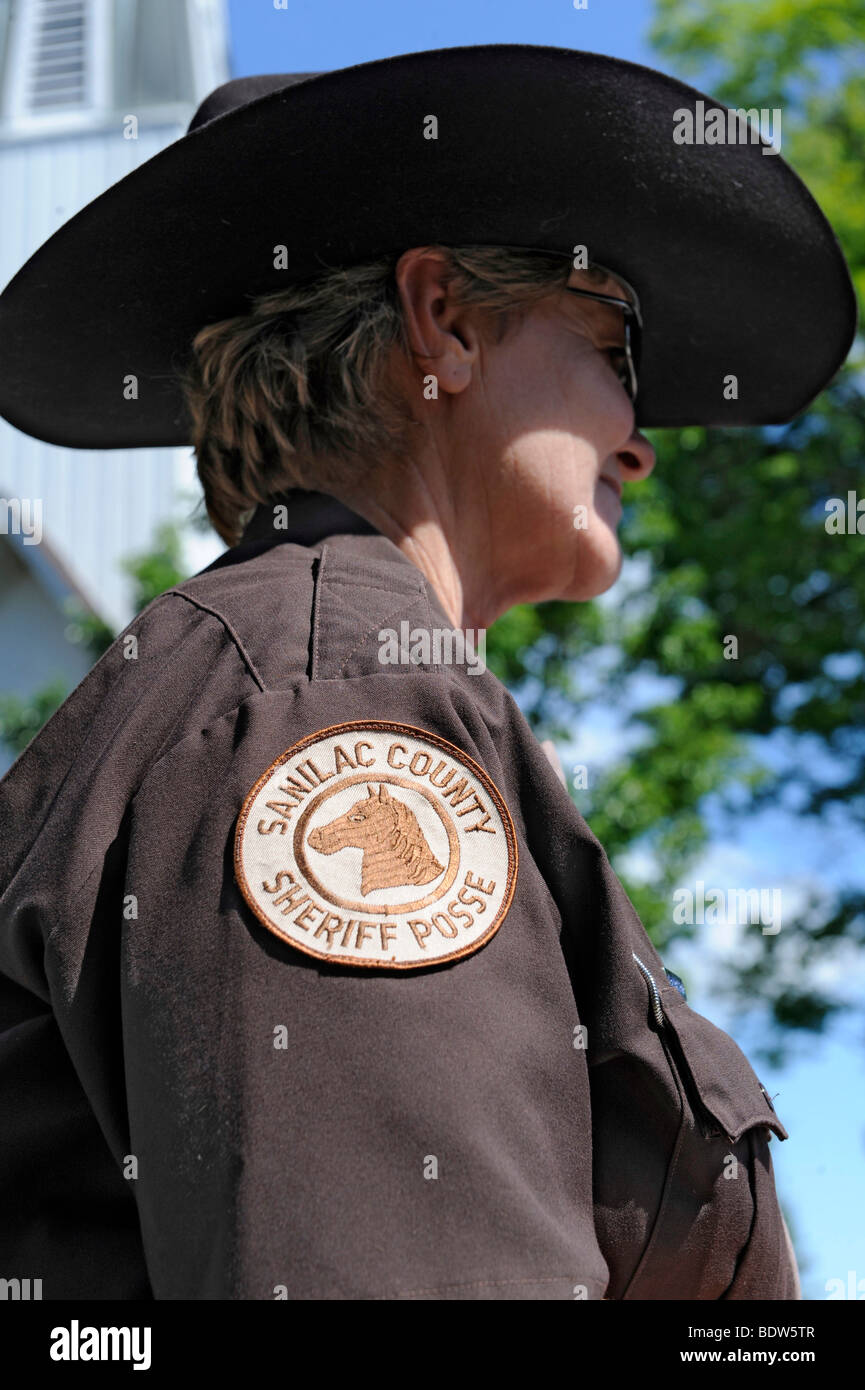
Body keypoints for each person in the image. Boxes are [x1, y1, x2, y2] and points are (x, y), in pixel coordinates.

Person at [0, 45, 855, 1301]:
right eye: (617, 343)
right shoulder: (327, 699)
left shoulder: (305, 678)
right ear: (443, 324)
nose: (642, 444)